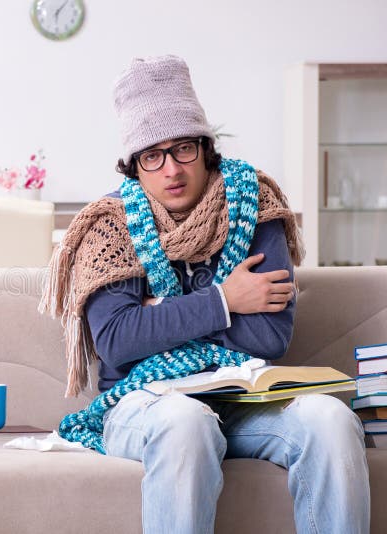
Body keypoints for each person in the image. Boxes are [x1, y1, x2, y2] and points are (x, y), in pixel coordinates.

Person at [40, 55, 370, 534]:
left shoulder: (254, 206)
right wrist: (224, 300)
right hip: (145, 402)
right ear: (134, 165)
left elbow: (270, 336)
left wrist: (161, 316)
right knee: (185, 422)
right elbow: (117, 341)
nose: (171, 169)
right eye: (152, 155)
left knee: (331, 420)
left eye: (183, 149)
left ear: (205, 146)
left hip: (243, 400)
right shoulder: (110, 228)